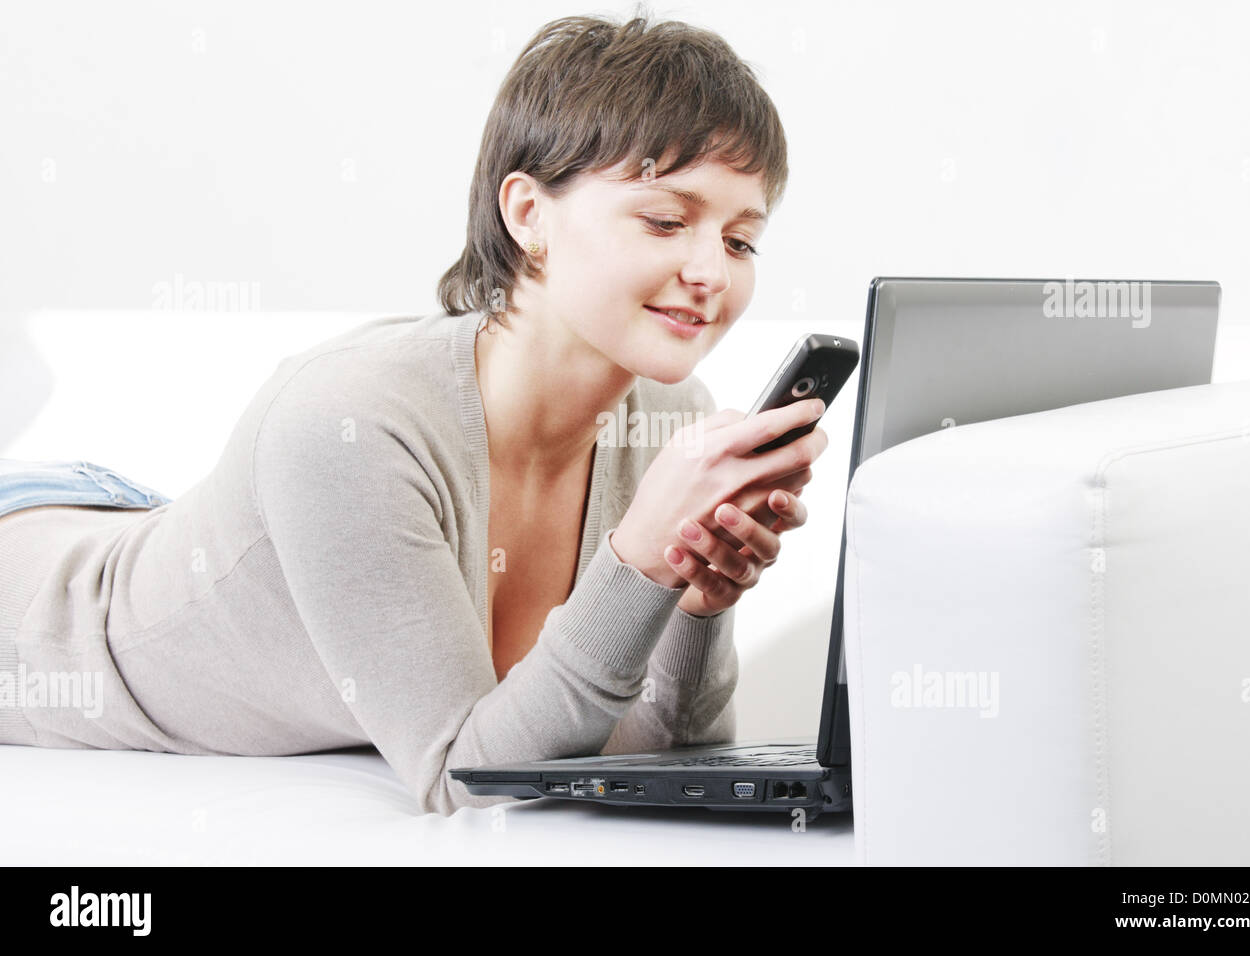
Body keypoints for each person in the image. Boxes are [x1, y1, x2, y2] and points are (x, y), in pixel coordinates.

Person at [0, 9, 827, 815]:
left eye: (740, 240)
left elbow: (656, 763)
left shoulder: (672, 419)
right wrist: (640, 558)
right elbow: (466, 780)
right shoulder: (348, 424)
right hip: (34, 604)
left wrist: (692, 604)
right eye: (667, 220)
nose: (711, 271)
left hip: (126, 519)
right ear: (529, 215)